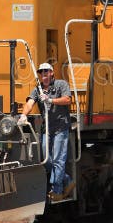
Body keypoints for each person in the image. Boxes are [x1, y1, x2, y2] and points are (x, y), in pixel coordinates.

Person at [19, 62, 75, 201]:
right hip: (47, 129)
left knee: (58, 159)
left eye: (46, 72)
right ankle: (67, 180)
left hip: (61, 128)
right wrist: (24, 115)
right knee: (46, 160)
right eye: (41, 72)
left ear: (51, 73)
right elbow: (30, 103)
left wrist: (50, 99)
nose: (43, 74)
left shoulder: (61, 85)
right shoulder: (37, 90)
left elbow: (68, 99)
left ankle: (57, 191)